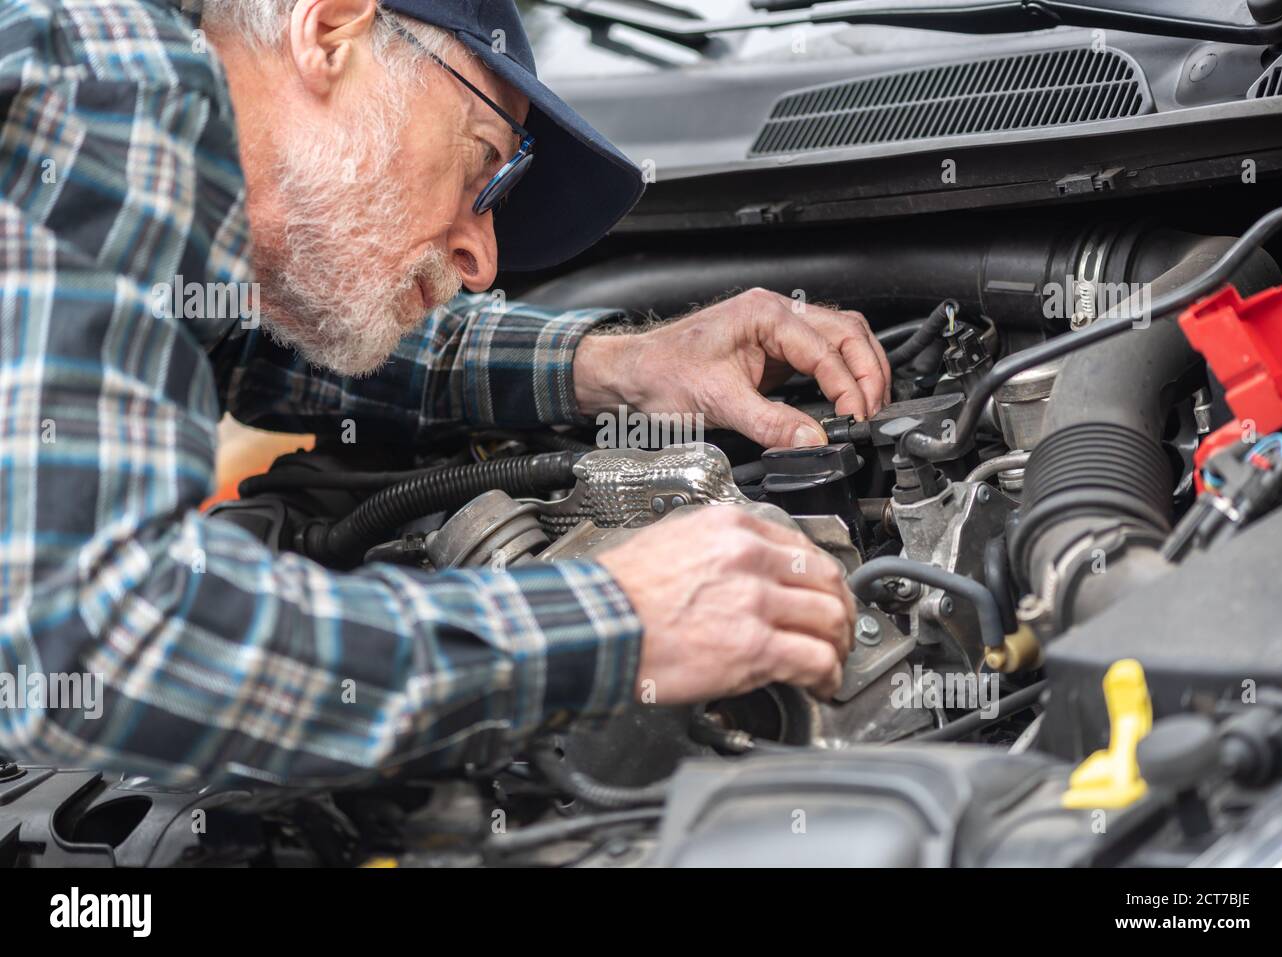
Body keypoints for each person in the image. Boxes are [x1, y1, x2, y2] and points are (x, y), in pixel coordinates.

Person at [0, 0, 890, 785]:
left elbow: (261, 354)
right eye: (484, 170)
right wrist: (610, 623)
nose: (483, 259)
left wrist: (624, 365)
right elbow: (93, 641)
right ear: (332, 29)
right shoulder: (115, 85)